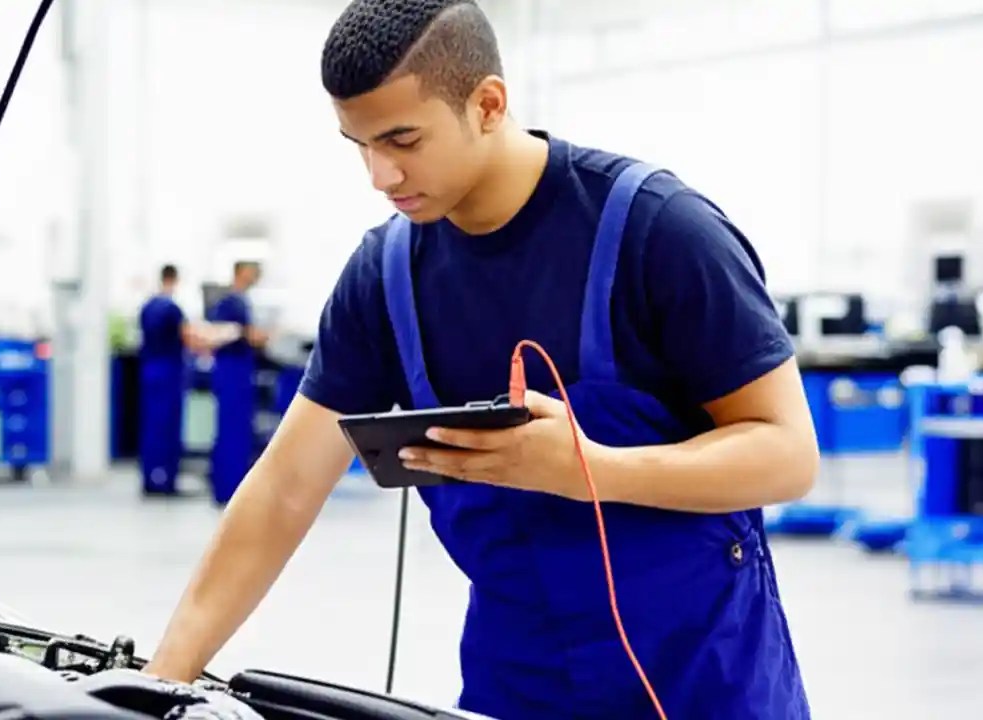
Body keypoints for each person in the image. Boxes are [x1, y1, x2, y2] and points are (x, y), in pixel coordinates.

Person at [145, 1, 820, 718]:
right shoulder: (385, 278)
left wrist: (593, 470)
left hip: (700, 678)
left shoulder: (660, 232)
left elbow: (787, 454)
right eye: (359, 144)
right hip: (519, 679)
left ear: (488, 104)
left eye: (403, 139)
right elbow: (282, 490)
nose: (379, 174)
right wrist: (159, 684)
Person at [137, 264, 204, 496]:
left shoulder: (147, 307)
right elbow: (189, 337)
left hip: (149, 371)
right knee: (167, 428)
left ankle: (149, 478)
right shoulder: (172, 309)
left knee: (151, 426)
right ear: (175, 280)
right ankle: (165, 482)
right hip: (169, 373)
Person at [205, 261, 268, 505]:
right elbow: (249, 335)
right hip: (235, 373)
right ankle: (230, 487)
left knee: (231, 429)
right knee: (234, 431)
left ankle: (226, 486)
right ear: (241, 272)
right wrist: (270, 335)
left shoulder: (229, 301)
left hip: (231, 371)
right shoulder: (235, 302)